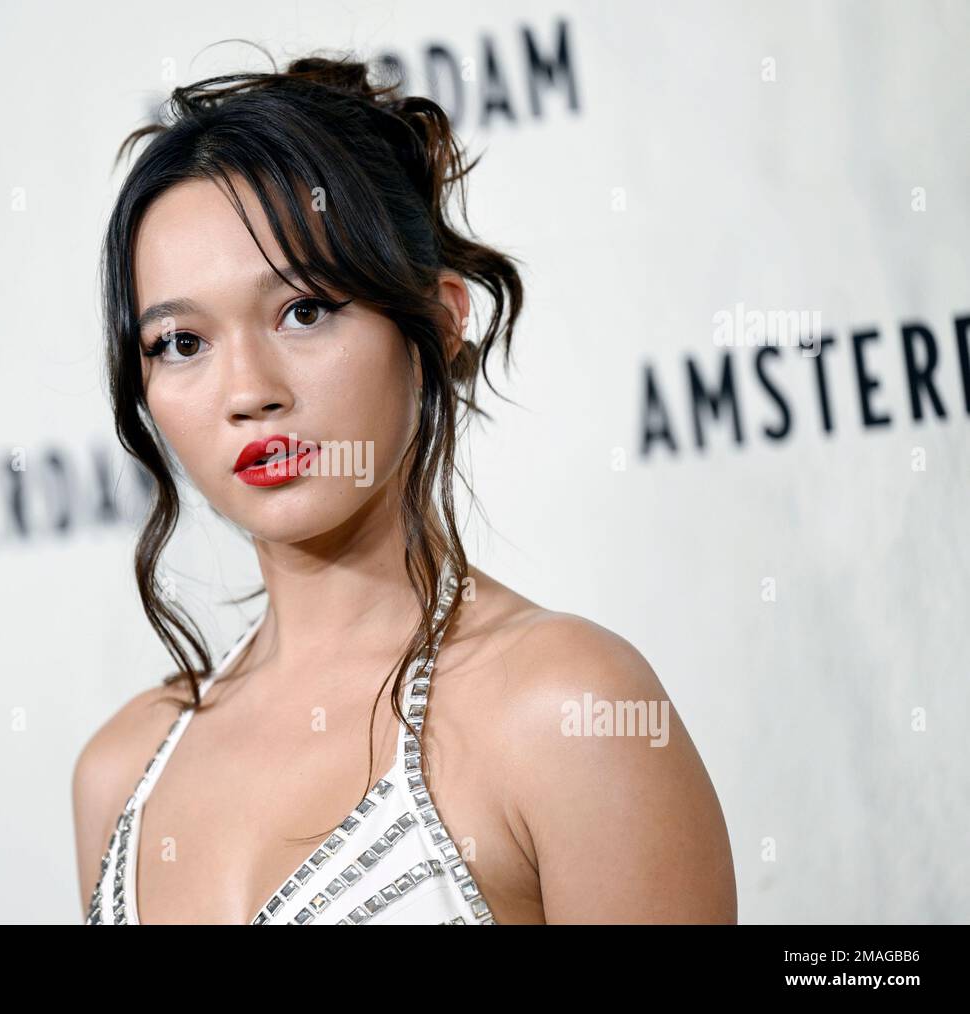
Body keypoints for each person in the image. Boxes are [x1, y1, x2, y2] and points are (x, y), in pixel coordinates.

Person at [72, 49, 737, 924]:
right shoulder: (120, 771)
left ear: (439, 318)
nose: (248, 391)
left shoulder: (572, 712)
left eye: (305, 310)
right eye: (182, 344)